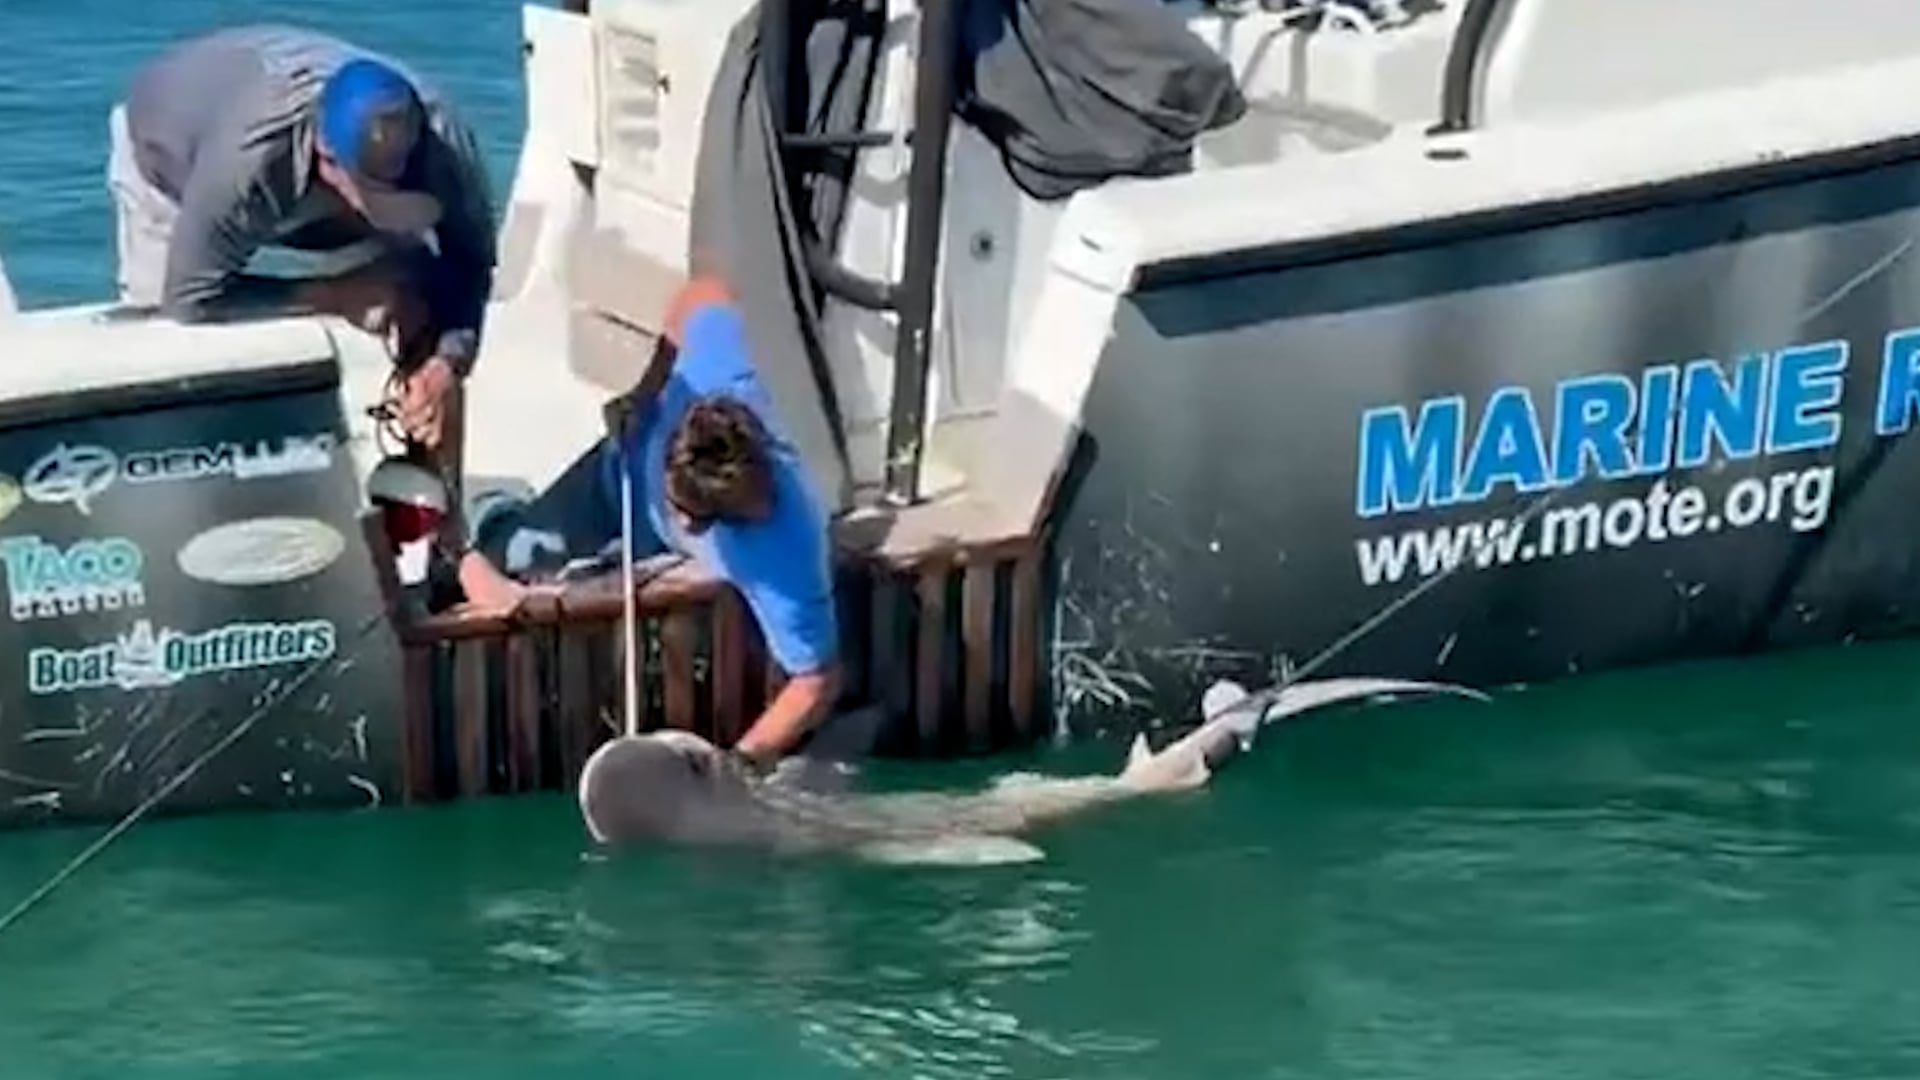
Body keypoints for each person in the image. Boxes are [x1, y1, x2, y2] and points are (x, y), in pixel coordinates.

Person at [465, 277, 841, 769]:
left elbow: (818, 680)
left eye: (688, 512)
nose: (679, 511)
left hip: (648, 539)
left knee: (561, 574)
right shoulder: (721, 379)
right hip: (613, 474)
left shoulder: (786, 552)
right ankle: (494, 512)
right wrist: (646, 390)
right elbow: (704, 294)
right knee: (505, 557)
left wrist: (737, 763)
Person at [108, 25, 498, 449]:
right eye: (372, 195)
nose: (386, 211)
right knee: (169, 338)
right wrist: (335, 295)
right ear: (326, 156)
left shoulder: (445, 141)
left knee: (428, 305)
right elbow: (188, 299)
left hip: (305, 169)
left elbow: (471, 262)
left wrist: (447, 363)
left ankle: (434, 499)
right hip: (170, 162)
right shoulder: (246, 164)